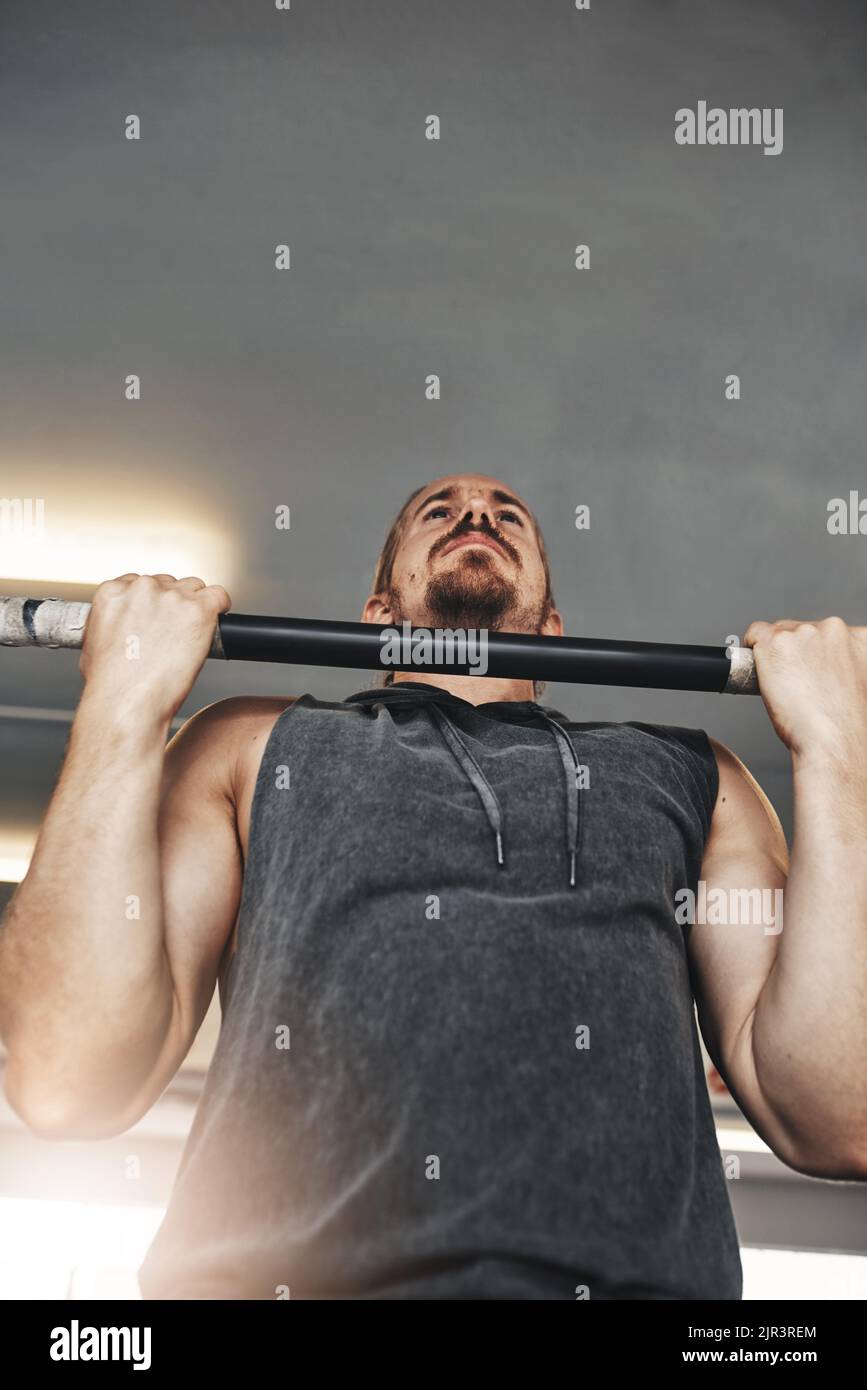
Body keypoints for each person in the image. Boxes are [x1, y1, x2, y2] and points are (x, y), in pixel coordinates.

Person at [1, 473, 866, 1300]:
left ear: (552, 630)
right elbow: (68, 1076)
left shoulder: (691, 774)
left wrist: (836, 746)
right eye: (439, 511)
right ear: (379, 610)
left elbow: (838, 1112)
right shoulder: (251, 744)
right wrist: (124, 697)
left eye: (506, 514)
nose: (475, 517)